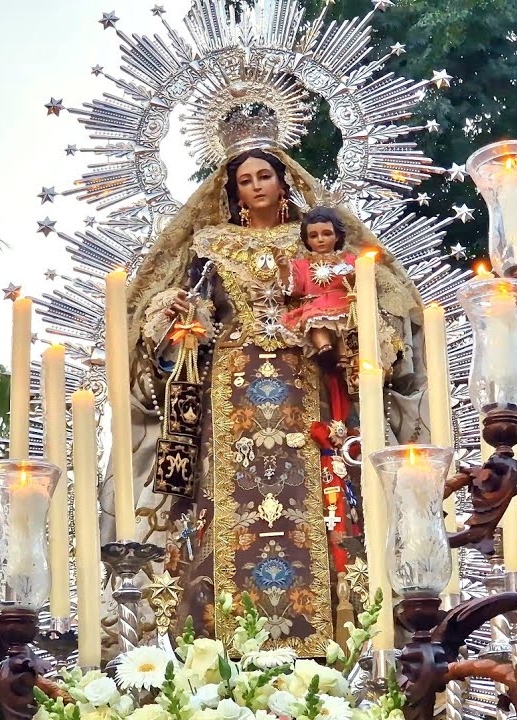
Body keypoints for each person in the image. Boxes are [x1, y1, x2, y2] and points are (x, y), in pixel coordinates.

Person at [101, 132, 430, 658]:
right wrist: (181, 314)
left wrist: (351, 323)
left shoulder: (316, 240)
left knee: (326, 496)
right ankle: (216, 647)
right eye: (244, 179)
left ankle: (336, 636)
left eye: (265, 175)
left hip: (308, 378)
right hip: (231, 387)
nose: (256, 186)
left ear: (283, 182)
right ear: (232, 190)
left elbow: (367, 295)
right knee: (219, 500)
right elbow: (189, 300)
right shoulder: (211, 242)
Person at [282, 206, 357, 370]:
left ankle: (345, 356)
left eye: (327, 234)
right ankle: (325, 349)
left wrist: (353, 275)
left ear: (337, 236)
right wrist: (283, 268)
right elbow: (295, 288)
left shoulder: (347, 260)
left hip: (342, 302)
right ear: (307, 240)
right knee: (314, 324)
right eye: (313, 236)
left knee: (346, 329)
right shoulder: (302, 265)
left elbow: (357, 280)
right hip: (315, 305)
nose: (320, 239)